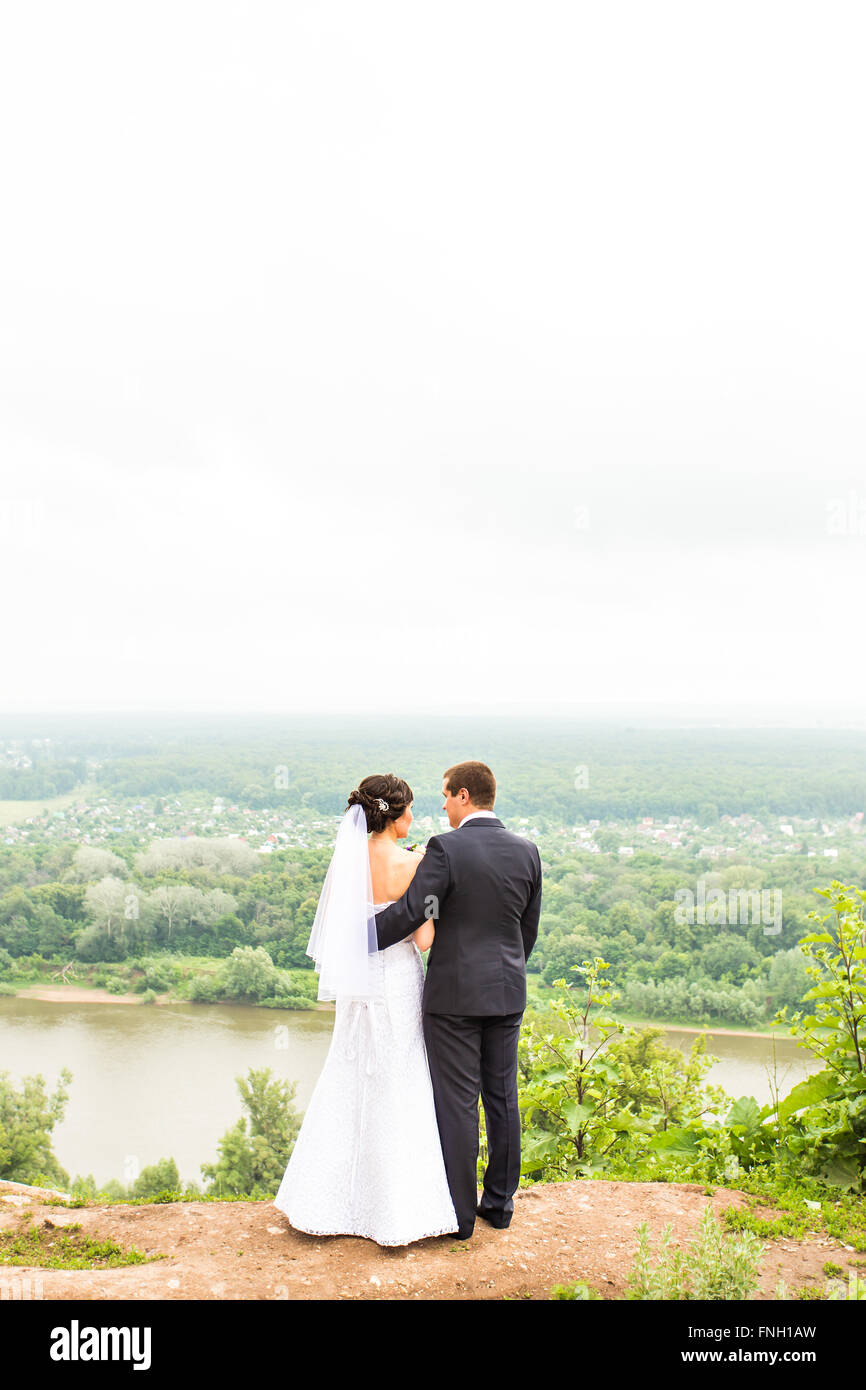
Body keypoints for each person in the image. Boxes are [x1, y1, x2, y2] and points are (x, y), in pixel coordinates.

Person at [272, 774, 458, 1246]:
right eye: (411, 809)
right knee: (399, 1078)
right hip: (396, 978)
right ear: (394, 814)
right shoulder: (412, 863)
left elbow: (340, 930)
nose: (415, 817)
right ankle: (396, 1212)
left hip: (358, 983)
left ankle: (324, 1202)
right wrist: (435, 911)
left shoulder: (347, 862)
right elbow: (423, 938)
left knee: (349, 1072)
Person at [373, 761, 542, 1241]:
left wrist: (356, 936)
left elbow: (412, 913)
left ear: (464, 796)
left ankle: (459, 1217)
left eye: (446, 796)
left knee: (458, 1103)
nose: (443, 804)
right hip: (507, 992)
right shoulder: (528, 852)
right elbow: (524, 931)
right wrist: (504, 973)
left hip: (453, 998)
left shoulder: (447, 849)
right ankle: (500, 1206)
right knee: (503, 1096)